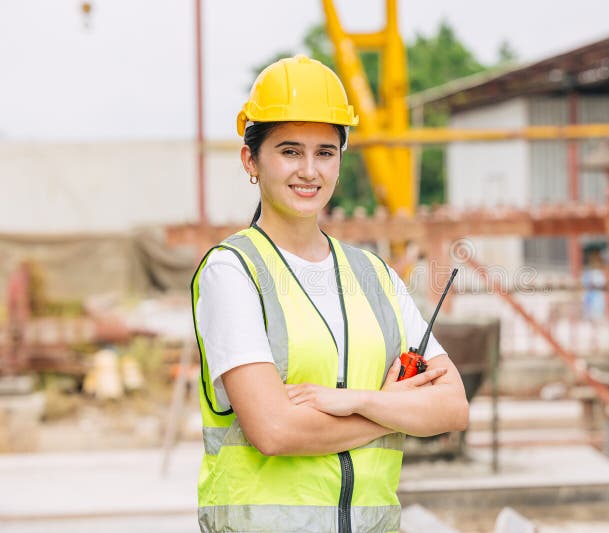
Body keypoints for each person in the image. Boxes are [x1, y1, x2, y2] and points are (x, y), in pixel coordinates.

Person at [191, 55, 469, 533]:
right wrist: (392, 411)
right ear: (250, 160)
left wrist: (354, 400)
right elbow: (274, 431)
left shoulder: (374, 275)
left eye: (325, 151)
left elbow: (452, 407)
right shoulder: (233, 272)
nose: (309, 170)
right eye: (290, 151)